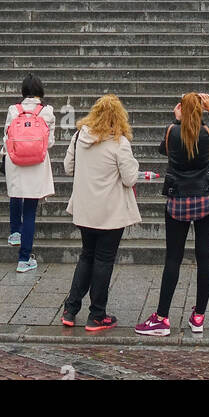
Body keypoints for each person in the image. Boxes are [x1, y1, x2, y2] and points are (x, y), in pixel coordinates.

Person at [135, 92, 209, 338]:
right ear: (200, 110)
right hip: (206, 200)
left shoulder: (172, 132)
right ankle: (199, 316)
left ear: (181, 109)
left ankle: (161, 317)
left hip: (178, 201)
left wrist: (177, 121)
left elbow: (162, 150)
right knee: (205, 257)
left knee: (173, 258)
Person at [62, 95, 141, 332]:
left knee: (87, 256)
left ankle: (70, 308)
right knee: (104, 260)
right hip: (110, 212)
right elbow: (130, 178)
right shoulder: (119, 143)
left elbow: (68, 168)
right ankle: (97, 314)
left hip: (85, 209)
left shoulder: (79, 137)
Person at [3, 73, 55, 272]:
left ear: (23, 91)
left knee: (15, 194)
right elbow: (49, 142)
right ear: (40, 90)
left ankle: (15, 232)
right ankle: (23, 259)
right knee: (31, 210)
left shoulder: (13, 110)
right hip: (36, 163)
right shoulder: (47, 111)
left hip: (15, 160)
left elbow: (6, 137)